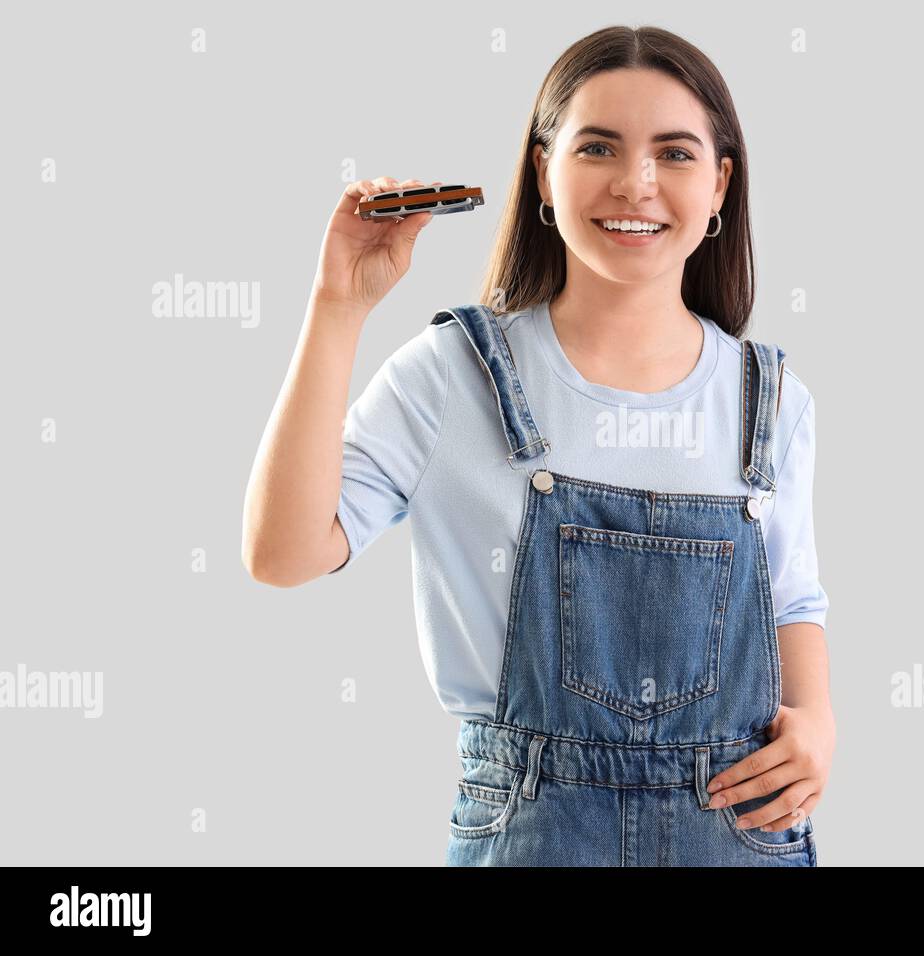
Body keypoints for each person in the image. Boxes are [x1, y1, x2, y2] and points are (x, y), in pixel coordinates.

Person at [242, 24, 833, 866]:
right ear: (543, 173)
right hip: (529, 831)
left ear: (719, 186)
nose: (636, 184)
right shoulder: (453, 376)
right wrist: (339, 307)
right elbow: (282, 553)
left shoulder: (769, 398)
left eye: (674, 154)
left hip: (738, 825)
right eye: (598, 146)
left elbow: (791, 598)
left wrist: (817, 722)